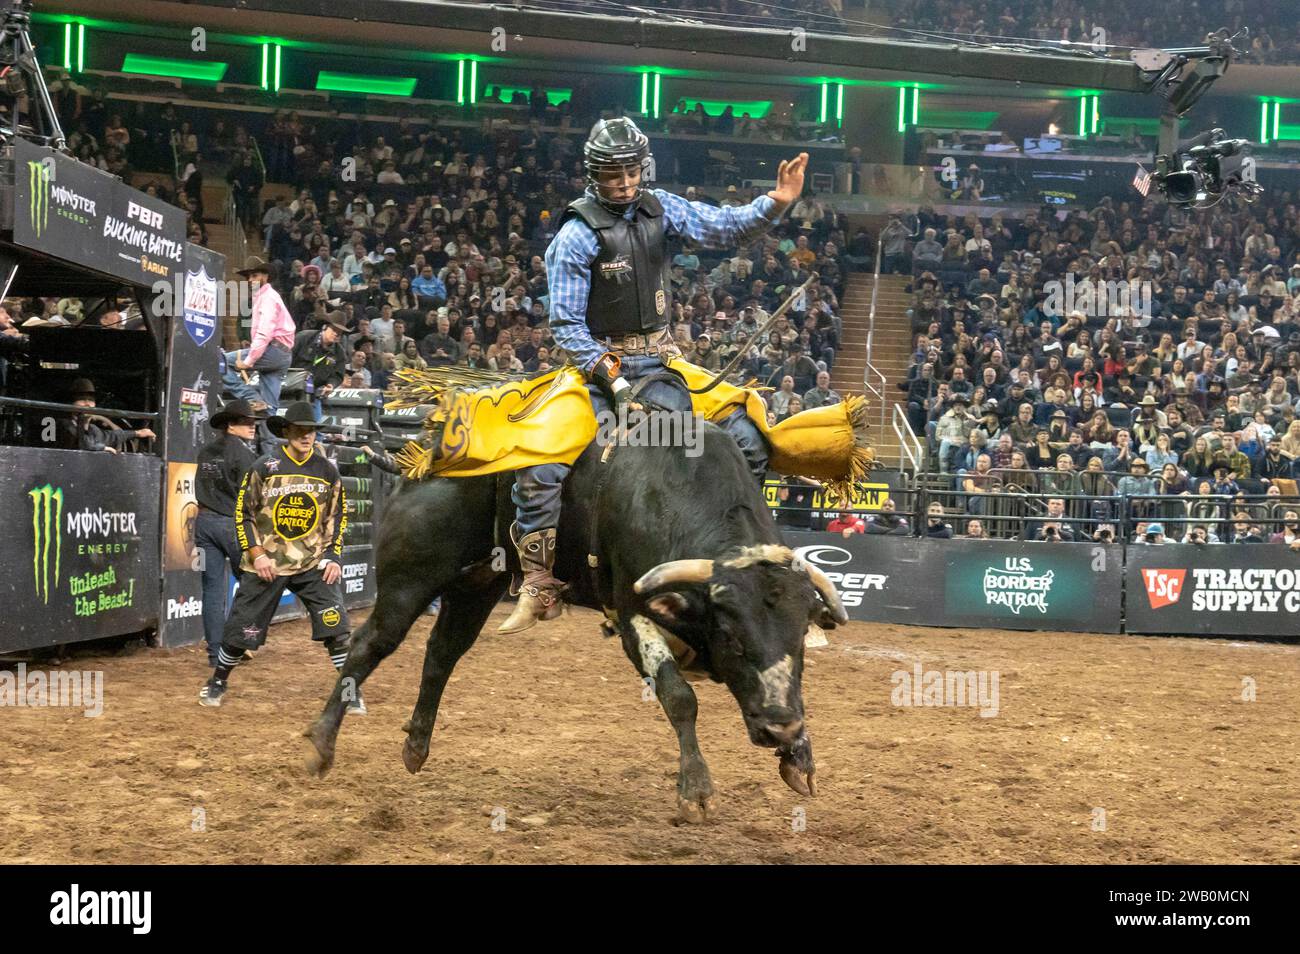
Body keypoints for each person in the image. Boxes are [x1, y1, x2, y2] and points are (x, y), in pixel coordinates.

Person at [502, 117, 805, 634]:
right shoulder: (575, 235)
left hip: (663, 363)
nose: (624, 182)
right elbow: (568, 327)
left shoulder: (664, 209)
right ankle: (539, 580)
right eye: (613, 173)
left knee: (747, 436)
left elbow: (723, 225)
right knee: (543, 463)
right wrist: (613, 380)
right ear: (595, 175)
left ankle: (743, 557)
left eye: (631, 170)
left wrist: (776, 202)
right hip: (596, 369)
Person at [199, 402, 359, 710]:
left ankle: (351, 692)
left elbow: (336, 517)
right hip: (267, 564)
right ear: (286, 432)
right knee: (239, 631)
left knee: (337, 628)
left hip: (312, 562)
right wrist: (257, 554)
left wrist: (333, 556)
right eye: (299, 430)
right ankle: (217, 680)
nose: (306, 436)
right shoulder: (264, 466)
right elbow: (243, 513)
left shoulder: (327, 471)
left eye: (311, 431)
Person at [194, 399, 266, 665]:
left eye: (252, 422)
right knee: (251, 585)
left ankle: (216, 653)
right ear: (230, 426)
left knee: (211, 590)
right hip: (233, 525)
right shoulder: (244, 455)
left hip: (204, 525)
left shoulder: (205, 452)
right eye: (245, 422)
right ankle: (238, 643)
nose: (252, 427)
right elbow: (252, 497)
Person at [222, 256, 295, 411]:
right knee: (269, 406)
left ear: (265, 276)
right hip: (282, 354)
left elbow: (265, 331)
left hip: (272, 350)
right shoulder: (268, 297)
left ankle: (251, 397)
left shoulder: (267, 297)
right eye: (248, 277)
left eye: (254, 275)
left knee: (219, 362)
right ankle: (269, 435)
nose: (250, 280)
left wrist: (249, 361)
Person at [61, 378, 157, 452]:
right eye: (82, 399)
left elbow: (112, 436)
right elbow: (84, 444)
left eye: (91, 400)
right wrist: (101, 448)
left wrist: (137, 433)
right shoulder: (65, 425)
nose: (87, 403)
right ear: (71, 404)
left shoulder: (93, 429)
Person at [291, 312, 351, 420]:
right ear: (325, 327)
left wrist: (331, 385)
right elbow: (288, 358)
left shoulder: (339, 353)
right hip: (291, 390)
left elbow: (338, 375)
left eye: (340, 333)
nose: (337, 334)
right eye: (334, 330)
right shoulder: (303, 338)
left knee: (315, 426)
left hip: (314, 394)